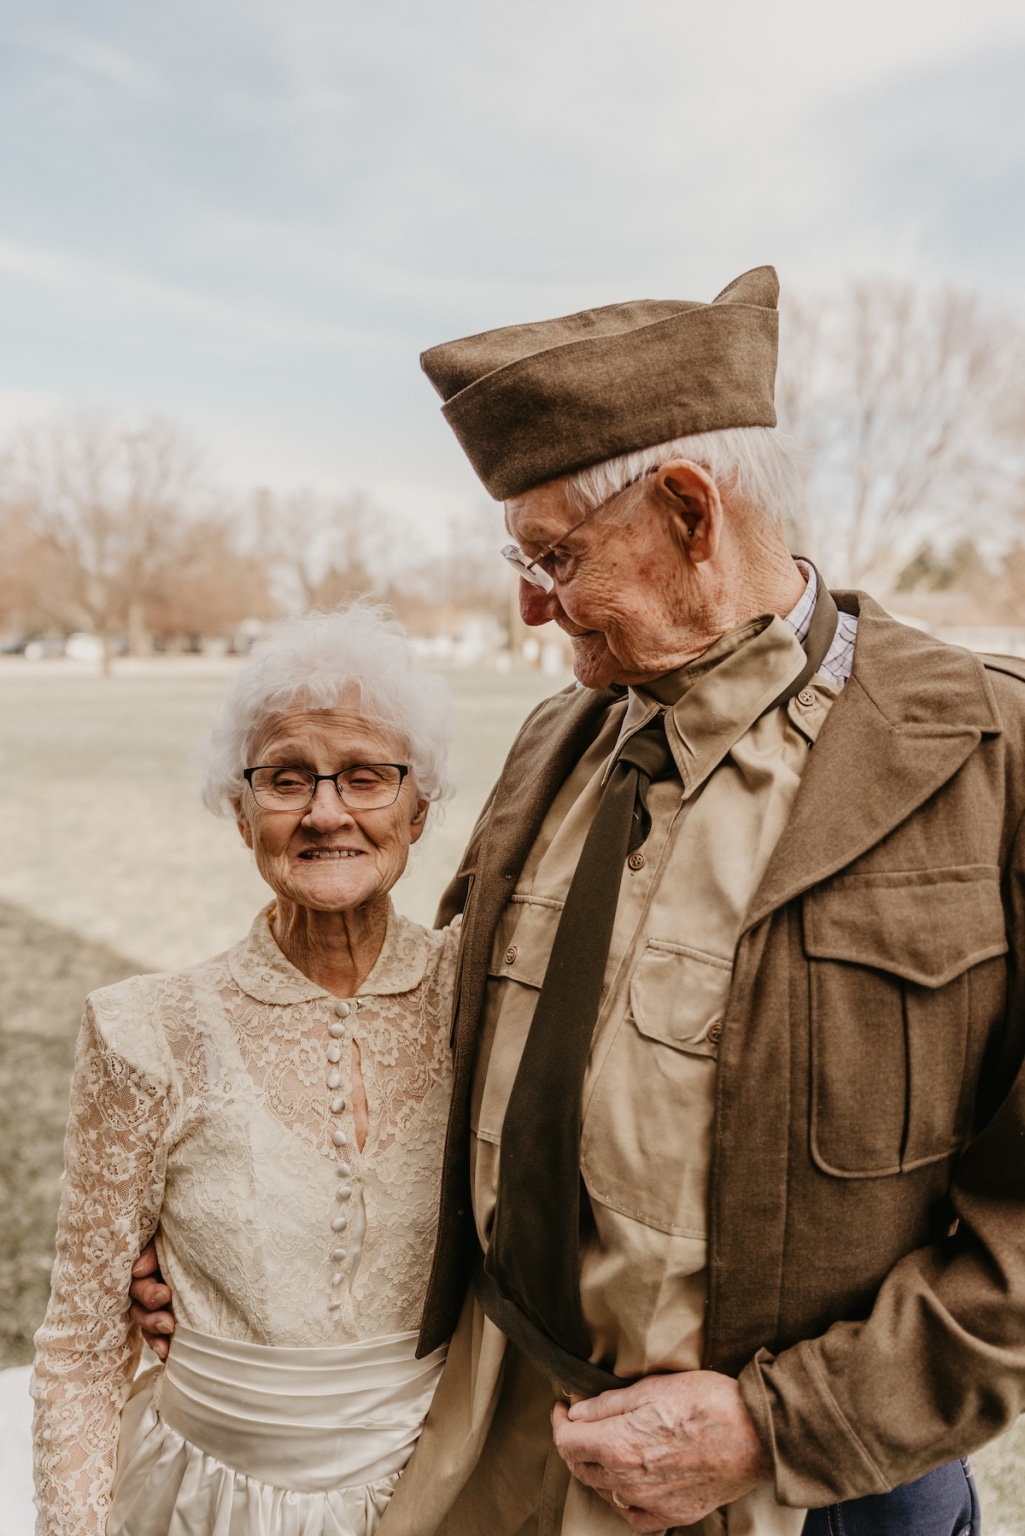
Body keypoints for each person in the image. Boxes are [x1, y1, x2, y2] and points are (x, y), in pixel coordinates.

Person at [135, 267, 1021, 1536]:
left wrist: (777, 1427)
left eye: (553, 557)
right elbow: (426, 1046)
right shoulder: (558, 739)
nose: (526, 602)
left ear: (686, 511)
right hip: (506, 1429)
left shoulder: (987, 754)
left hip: (817, 1488)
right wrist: (237, 1250)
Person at [32, 605, 460, 1536]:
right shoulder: (144, 1030)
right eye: (285, 779)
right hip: (207, 1505)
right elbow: (78, 1349)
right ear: (240, 812)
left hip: (451, 1495)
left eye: (364, 776)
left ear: (419, 808)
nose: (325, 811)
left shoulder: (487, 996)